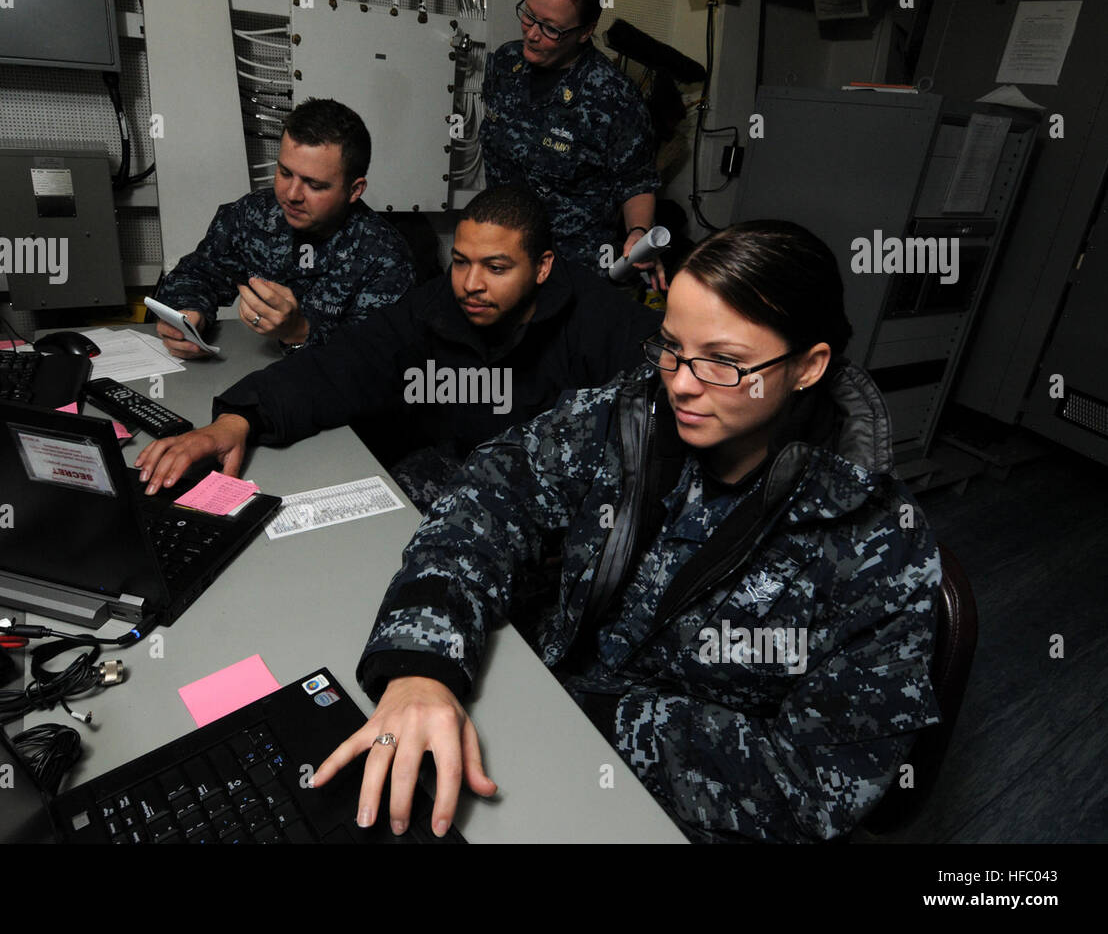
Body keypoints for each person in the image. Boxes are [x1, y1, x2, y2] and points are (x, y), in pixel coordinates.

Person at [312, 220, 943, 843]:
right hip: (538, 736)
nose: (682, 384)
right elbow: (490, 496)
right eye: (671, 346)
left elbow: (812, 785)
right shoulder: (627, 412)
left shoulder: (880, 545)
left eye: (724, 362)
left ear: (808, 367)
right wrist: (423, 664)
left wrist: (593, 715)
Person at [134, 185, 660, 509]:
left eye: (496, 268)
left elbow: (668, 410)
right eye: (461, 261)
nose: (471, 284)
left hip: (565, 496)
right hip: (462, 470)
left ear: (542, 267)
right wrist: (237, 420)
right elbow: (348, 362)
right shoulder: (438, 305)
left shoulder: (600, 319)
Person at [152, 98, 414, 357]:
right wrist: (188, 315)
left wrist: (299, 332)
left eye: (314, 185)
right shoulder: (253, 214)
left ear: (354, 190)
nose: (292, 194)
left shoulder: (385, 258)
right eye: (285, 173)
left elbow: (376, 359)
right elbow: (196, 274)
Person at [480, 0, 661, 281]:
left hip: (569, 271)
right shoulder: (506, 64)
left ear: (585, 30)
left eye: (550, 27)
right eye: (529, 15)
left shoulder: (614, 98)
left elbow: (636, 182)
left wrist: (638, 231)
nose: (532, 34)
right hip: (499, 252)